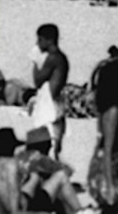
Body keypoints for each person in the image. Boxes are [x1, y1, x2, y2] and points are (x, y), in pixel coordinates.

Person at [31, 24, 69, 159]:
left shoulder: (53, 58)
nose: (37, 43)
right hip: (56, 104)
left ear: (49, 40)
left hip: (49, 107)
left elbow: (37, 80)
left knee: (46, 150)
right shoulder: (61, 57)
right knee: (54, 148)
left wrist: (35, 61)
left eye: (40, 40)